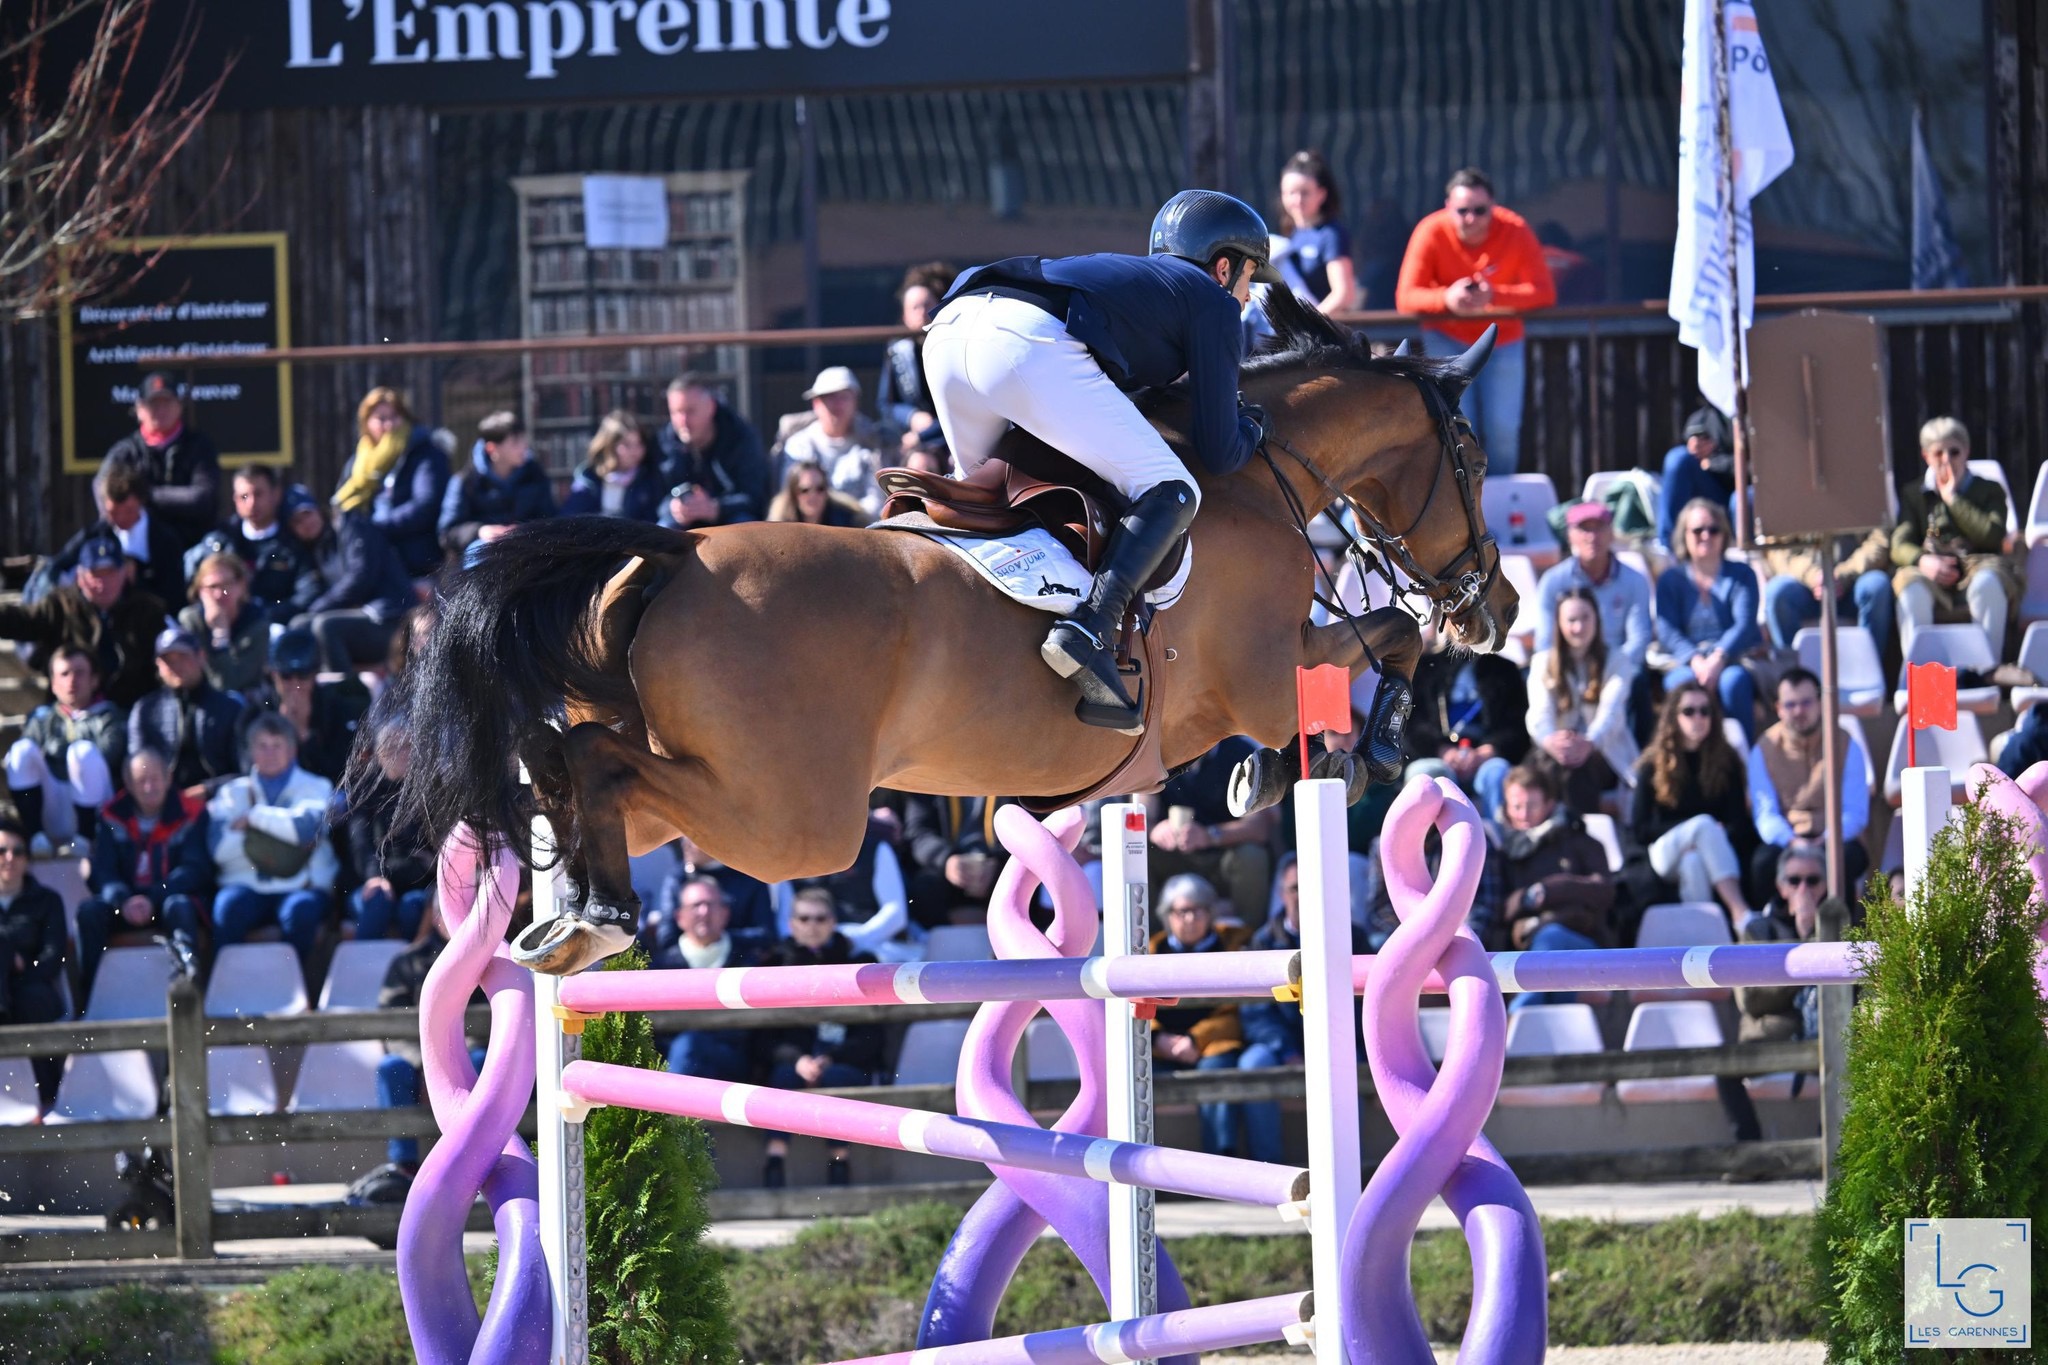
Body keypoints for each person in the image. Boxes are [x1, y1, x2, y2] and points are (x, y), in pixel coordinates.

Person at [926, 189, 1279, 731]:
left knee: (986, 502)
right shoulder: (1210, 300)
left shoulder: (1139, 287)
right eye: (1250, 276)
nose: (1250, 294)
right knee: (1174, 489)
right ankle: (1093, 626)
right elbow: (1220, 451)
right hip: (1020, 341)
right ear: (1223, 266)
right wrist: (1255, 429)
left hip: (948, 331)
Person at [1393, 167, 1555, 475]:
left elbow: (1544, 292)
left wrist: (1494, 295)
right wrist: (1447, 300)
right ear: (1447, 207)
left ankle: (1501, 503)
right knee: (1459, 426)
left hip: (1502, 341)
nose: (1471, 219)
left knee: (1504, 430)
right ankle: (1462, 504)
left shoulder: (1515, 228)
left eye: (1480, 210)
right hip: (1447, 338)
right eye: (1462, 211)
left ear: (1493, 206)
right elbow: (1406, 297)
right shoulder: (1430, 230)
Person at [1238, 855, 1369, 1163]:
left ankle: (1350, 1169)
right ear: (1282, 894)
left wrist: (1335, 1042)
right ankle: (1267, 1170)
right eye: (1295, 888)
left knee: (1349, 1066)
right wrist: (1287, 1051)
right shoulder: (1263, 940)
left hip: (1338, 1040)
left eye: (1308, 887)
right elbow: (1255, 1014)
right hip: (1282, 1045)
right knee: (1253, 1064)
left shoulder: (1353, 936)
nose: (1301, 895)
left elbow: (1366, 1006)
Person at [757, 888, 885, 1188]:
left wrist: (831, 1058)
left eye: (820, 918)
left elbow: (872, 1036)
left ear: (833, 922)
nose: (812, 925)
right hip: (792, 1062)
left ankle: (840, 1162)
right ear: (791, 924)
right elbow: (763, 1038)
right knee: (783, 1079)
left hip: (843, 1060)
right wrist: (797, 1059)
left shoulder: (860, 963)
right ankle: (774, 1162)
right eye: (804, 918)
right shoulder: (772, 965)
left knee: (838, 1078)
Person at [74, 747, 210, 1000]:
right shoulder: (110, 815)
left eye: (155, 779)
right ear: (128, 783)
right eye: (141, 781)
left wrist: (153, 898)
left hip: (167, 899)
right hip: (125, 903)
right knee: (89, 912)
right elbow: (103, 870)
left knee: (179, 906)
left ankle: (191, 992)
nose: (149, 787)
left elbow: (195, 869)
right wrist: (123, 900)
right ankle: (91, 997)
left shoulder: (192, 813)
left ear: (169, 778)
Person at [205, 712, 337, 967]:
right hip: (246, 885)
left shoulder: (317, 786)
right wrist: (281, 828)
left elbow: (304, 830)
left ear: (292, 749)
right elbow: (218, 850)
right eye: (262, 746)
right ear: (250, 751)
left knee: (301, 911)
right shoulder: (231, 793)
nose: (270, 753)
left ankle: (297, 996)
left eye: (277, 745)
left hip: (302, 887)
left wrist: (252, 819)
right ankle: (228, 990)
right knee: (227, 907)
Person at [1624, 683, 1757, 932]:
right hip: (1662, 853)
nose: (1698, 718)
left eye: (1705, 711)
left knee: (1693, 862)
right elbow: (1641, 829)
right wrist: (1692, 832)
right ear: (1674, 717)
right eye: (1689, 711)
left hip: (1709, 854)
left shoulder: (1726, 760)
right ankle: (1741, 913)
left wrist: (1709, 837)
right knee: (1703, 825)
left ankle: (1705, 942)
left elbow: (1739, 823)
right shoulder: (1653, 764)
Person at [1147, 874, 1259, 1159]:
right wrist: (1158, 1039)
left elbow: (1235, 1012)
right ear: (1167, 915)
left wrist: (1196, 1040)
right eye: (1181, 911)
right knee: (1133, 1078)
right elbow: (1135, 1005)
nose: (1189, 918)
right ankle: (1147, 1168)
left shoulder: (1232, 945)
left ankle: (1222, 1160)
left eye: (1198, 909)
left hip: (1211, 1046)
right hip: (1160, 1050)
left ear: (1210, 912)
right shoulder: (1149, 951)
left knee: (1216, 1072)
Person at [1494, 765, 1616, 1008]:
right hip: (1526, 948)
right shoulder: (1501, 852)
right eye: (1516, 806)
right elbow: (1502, 909)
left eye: (1532, 805)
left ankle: (1516, 1018)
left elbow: (1604, 891)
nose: (1524, 814)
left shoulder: (1578, 841)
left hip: (1584, 944)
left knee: (1551, 938)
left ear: (1550, 804)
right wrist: (1529, 897)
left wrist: (1549, 891)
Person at [1744, 668, 1869, 904]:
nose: (1799, 711)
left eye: (1806, 702)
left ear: (1821, 703)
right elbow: (1765, 814)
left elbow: (1855, 812)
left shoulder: (1844, 743)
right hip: (1788, 838)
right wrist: (1792, 842)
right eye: (1791, 705)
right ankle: (1772, 928)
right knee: (1762, 863)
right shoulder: (1763, 749)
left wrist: (1825, 839)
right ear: (1779, 709)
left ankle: (1845, 932)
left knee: (1852, 857)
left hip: (1833, 837)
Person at [0, 534, 168, 709]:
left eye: (110, 573)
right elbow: (21, 620)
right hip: (73, 710)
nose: (103, 583)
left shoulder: (148, 610)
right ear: (80, 576)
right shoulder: (61, 606)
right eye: (95, 574)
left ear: (124, 573)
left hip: (130, 710)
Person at [1892, 416, 2018, 649]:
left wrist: (1952, 499)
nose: (1946, 460)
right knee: (1910, 588)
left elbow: (1992, 535)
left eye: (1954, 452)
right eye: (1938, 453)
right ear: (1926, 456)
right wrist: (1922, 561)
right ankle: (1922, 675)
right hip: (1932, 569)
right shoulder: (1914, 494)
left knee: (1988, 584)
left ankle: (1984, 672)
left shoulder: (1989, 490)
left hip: (1980, 566)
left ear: (1966, 451)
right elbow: (1899, 544)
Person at [1653, 497, 1760, 742]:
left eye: (1713, 529)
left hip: (1733, 659)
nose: (1706, 536)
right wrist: (1696, 661)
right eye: (1698, 530)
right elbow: (1667, 630)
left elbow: (1744, 625)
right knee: (1681, 688)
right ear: (1684, 535)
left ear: (1724, 534)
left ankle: (1744, 762)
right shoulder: (1671, 579)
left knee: (1734, 684)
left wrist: (1718, 658)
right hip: (1687, 662)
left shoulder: (1742, 575)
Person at [646, 875, 772, 1082]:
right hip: (674, 1058)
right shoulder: (660, 966)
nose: (704, 912)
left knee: (691, 1044)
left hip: (733, 1062)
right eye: (696, 905)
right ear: (679, 916)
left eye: (711, 905)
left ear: (725, 913)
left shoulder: (749, 963)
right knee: (687, 1045)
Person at [1525, 588, 1636, 814]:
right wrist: (1551, 741)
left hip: (1604, 752)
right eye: (1571, 620)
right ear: (1559, 623)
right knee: (1560, 767)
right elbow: (1539, 713)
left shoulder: (1617, 661)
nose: (1579, 627)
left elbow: (1611, 713)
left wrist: (1589, 742)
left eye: (1585, 618)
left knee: (1576, 768)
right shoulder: (1542, 663)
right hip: (1554, 753)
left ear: (1597, 618)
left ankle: (1578, 836)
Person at [1405, 622, 1530, 821]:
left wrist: (1488, 751)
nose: (1465, 627)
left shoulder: (1505, 670)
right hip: (1439, 755)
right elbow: (1410, 726)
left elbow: (1517, 726)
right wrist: (1442, 750)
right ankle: (1425, 845)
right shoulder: (1425, 669)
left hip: (1486, 757)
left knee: (1497, 773)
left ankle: (1497, 843)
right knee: (1424, 774)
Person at [1146, 735, 1277, 922]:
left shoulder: (1241, 752)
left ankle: (1250, 937)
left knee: (1252, 855)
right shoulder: (1155, 754)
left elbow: (1259, 827)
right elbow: (1139, 815)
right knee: (1138, 852)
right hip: (1174, 855)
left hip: (1223, 858)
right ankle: (1151, 940)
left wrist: (1209, 836)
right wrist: (1155, 830)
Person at [5, 646, 122, 854]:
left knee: (82, 752)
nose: (72, 680)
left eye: (79, 672)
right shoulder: (41, 718)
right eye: (64, 674)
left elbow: (110, 753)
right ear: (53, 683)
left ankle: (85, 839)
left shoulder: (109, 715)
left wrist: (61, 752)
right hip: (54, 803)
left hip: (96, 809)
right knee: (20, 751)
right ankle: (37, 837)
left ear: (94, 680)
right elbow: (25, 763)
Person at [287, 487, 414, 672]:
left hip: (390, 618)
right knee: (298, 625)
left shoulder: (352, 526)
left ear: (319, 510)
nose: (305, 523)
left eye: (307, 514)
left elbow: (360, 578)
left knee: (325, 626)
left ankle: (347, 694)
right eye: (297, 522)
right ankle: (304, 691)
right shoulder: (317, 549)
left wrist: (318, 608)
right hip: (362, 618)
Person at [183, 464, 317, 627]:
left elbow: (308, 592)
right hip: (222, 624)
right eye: (244, 496)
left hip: (276, 627)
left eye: (258, 494)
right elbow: (195, 580)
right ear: (235, 500)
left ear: (276, 495)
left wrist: (266, 615)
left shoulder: (293, 542)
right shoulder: (220, 540)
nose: (252, 503)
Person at [1533, 501, 1653, 682]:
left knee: (1638, 680)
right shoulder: (1552, 582)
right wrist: (1570, 672)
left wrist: (1610, 669)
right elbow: (1544, 641)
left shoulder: (1635, 581)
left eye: (1599, 528)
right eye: (1584, 529)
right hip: (1568, 671)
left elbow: (1639, 639)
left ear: (1611, 533)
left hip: (1619, 670)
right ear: (1569, 536)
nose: (1592, 536)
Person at [101, 372, 221, 552]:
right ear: (139, 409)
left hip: (192, 543)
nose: (161, 410)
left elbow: (202, 498)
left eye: (167, 402)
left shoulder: (200, 446)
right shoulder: (125, 451)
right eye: (153, 404)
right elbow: (103, 490)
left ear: (179, 406)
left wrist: (144, 496)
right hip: (138, 545)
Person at [42, 457, 185, 606]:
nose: (122, 518)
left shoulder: (164, 538)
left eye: (129, 511)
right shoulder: (94, 534)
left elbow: (175, 595)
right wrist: (80, 583)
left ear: (141, 502)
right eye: (114, 512)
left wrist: (137, 580)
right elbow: (56, 567)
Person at [341, 718, 435, 943]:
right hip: (374, 880)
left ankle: (410, 975)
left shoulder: (430, 791)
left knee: (412, 907)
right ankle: (361, 973)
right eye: (391, 747)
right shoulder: (365, 794)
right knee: (378, 899)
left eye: (406, 746)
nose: (399, 753)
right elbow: (360, 844)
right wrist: (375, 876)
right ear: (378, 754)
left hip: (419, 882)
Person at [234, 628, 368, 785]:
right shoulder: (256, 710)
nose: (295, 685)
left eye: (303, 676)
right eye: (286, 676)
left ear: (314, 674)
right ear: (274, 675)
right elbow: (246, 767)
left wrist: (305, 737)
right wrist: (281, 734)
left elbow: (340, 775)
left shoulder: (336, 709)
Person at [0, 818, 69, 1107]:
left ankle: (44, 1097)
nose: (10, 858)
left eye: (18, 851)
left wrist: (19, 971)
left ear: (28, 858)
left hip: (32, 987)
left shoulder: (47, 901)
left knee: (30, 1002)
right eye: (1, 851)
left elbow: (52, 958)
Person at [129, 628, 245, 795]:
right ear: (158, 666)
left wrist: (208, 790)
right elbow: (139, 765)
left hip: (221, 799)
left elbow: (245, 769)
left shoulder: (230, 707)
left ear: (201, 657)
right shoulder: (145, 710)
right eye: (168, 661)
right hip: (162, 801)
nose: (176, 666)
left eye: (183, 657)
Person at [773, 818, 907, 956]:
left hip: (869, 948)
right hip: (806, 951)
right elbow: (784, 920)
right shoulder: (791, 855)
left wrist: (854, 940)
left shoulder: (875, 848)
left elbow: (896, 913)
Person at [355, 391, 453, 579]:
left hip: (416, 558)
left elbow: (425, 504)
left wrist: (378, 526)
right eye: (381, 418)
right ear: (366, 423)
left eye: (395, 417)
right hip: (372, 555)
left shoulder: (425, 453)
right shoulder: (361, 459)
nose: (389, 425)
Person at [657, 372, 772, 528]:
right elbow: (651, 499)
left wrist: (715, 508)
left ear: (710, 407)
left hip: (730, 520)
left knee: (744, 528)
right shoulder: (664, 442)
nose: (683, 421)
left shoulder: (741, 437)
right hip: (681, 523)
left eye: (690, 411)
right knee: (663, 528)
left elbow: (756, 498)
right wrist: (672, 507)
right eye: (676, 412)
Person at [438, 412, 557, 560]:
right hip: (484, 556)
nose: (524, 446)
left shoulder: (535, 476)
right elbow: (448, 532)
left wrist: (526, 530)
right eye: (515, 442)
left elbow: (551, 519)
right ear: (492, 449)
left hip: (527, 551)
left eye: (523, 439)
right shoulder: (465, 482)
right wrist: (479, 531)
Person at [772, 367, 890, 516]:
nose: (837, 404)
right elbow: (792, 497)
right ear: (816, 404)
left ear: (855, 402)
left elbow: (875, 503)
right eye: (830, 397)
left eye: (844, 397)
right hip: (807, 530)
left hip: (858, 531)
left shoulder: (871, 446)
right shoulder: (798, 445)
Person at [1760, 529, 1895, 655]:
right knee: (1777, 592)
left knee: (1876, 585)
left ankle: (1869, 666)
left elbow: (1878, 542)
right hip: (1808, 587)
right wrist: (1813, 575)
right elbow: (1779, 552)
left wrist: (1843, 575)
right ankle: (1794, 672)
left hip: (1853, 585)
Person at [878, 261, 957, 450]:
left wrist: (924, 435)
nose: (922, 313)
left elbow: (961, 410)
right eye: (915, 308)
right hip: (914, 443)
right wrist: (911, 416)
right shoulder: (898, 352)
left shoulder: (953, 349)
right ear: (905, 316)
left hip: (952, 440)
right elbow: (886, 405)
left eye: (927, 305)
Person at [901, 794, 1011, 928]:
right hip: (949, 870)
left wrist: (998, 865)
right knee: (924, 888)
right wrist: (947, 859)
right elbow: (917, 832)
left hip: (1001, 868)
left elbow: (1031, 825)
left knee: (1024, 882)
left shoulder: (1013, 777)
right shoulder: (930, 776)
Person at [1273, 149, 1356, 313]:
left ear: (1322, 194)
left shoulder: (1331, 234)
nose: (1297, 200)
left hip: (1322, 334)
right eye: (1290, 193)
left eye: (1305, 193)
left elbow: (1343, 294)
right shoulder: (1291, 234)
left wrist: (1310, 325)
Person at [179, 552, 269, 695]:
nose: (219, 594)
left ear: (241, 586)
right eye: (212, 586)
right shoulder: (191, 621)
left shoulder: (256, 623)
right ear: (200, 591)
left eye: (227, 585)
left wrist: (220, 634)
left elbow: (228, 683)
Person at [1655, 407, 1737, 553]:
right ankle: (1667, 547)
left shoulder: (1757, 417)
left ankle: (1746, 551)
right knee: (1677, 458)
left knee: (1741, 500)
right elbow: (1689, 459)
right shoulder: (1702, 417)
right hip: (1707, 491)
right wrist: (1695, 453)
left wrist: (1712, 463)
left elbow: (1759, 466)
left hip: (1740, 495)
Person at [562, 410, 665, 522]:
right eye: (627, 445)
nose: (635, 451)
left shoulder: (648, 479)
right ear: (610, 446)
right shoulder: (588, 481)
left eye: (639, 443)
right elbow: (570, 520)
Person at [766, 461, 867, 526]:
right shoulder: (779, 526)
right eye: (805, 490)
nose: (813, 496)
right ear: (793, 494)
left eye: (820, 489)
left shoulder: (847, 522)